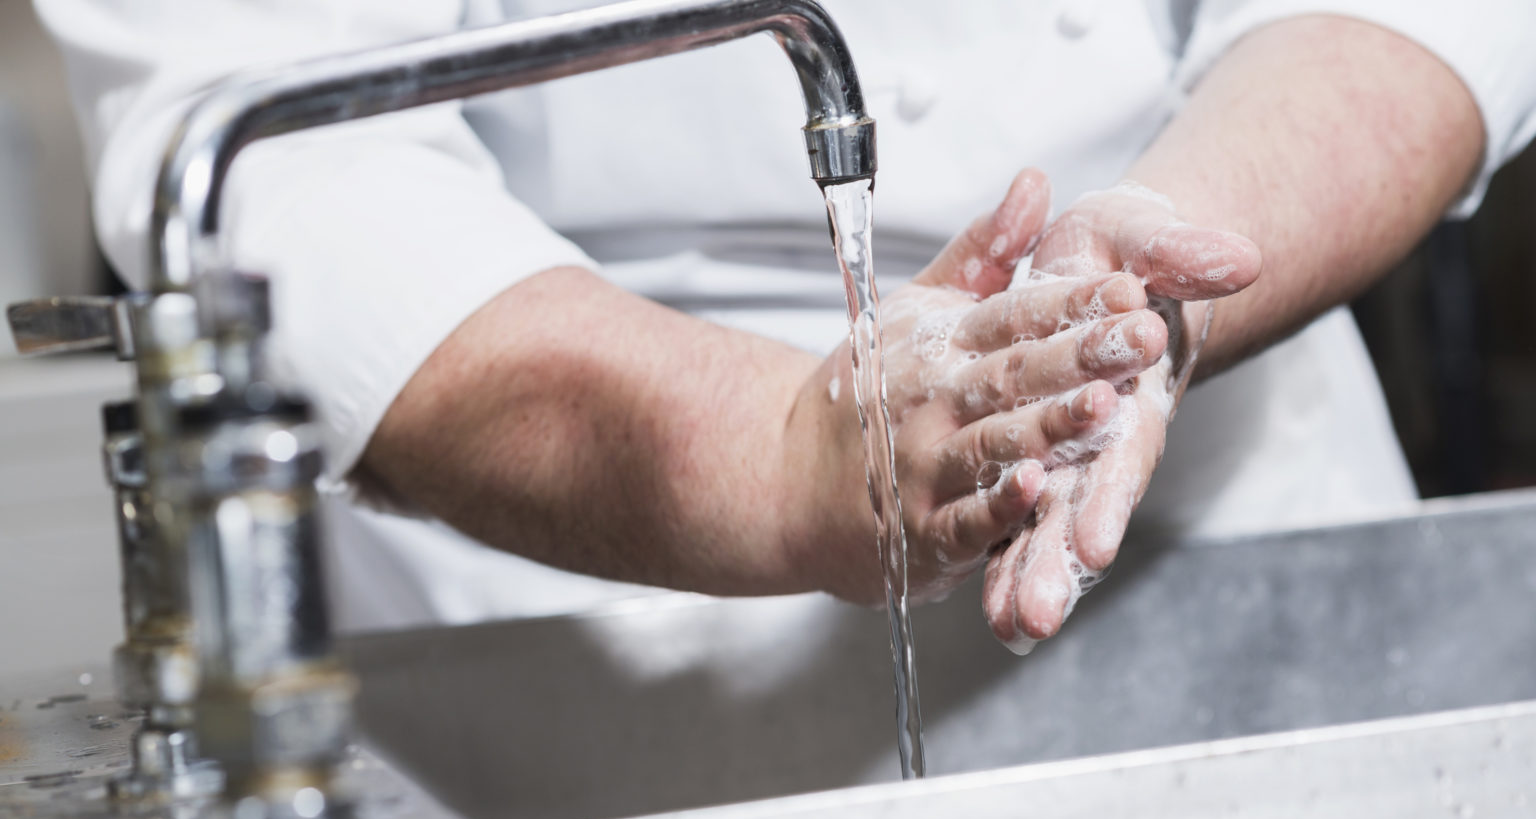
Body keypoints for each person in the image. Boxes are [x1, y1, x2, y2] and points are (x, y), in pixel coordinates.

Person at [33, 0, 1536, 649]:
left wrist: (1140, 300)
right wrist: (770, 454)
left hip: (1220, 532)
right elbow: (279, 165)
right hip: (575, 652)